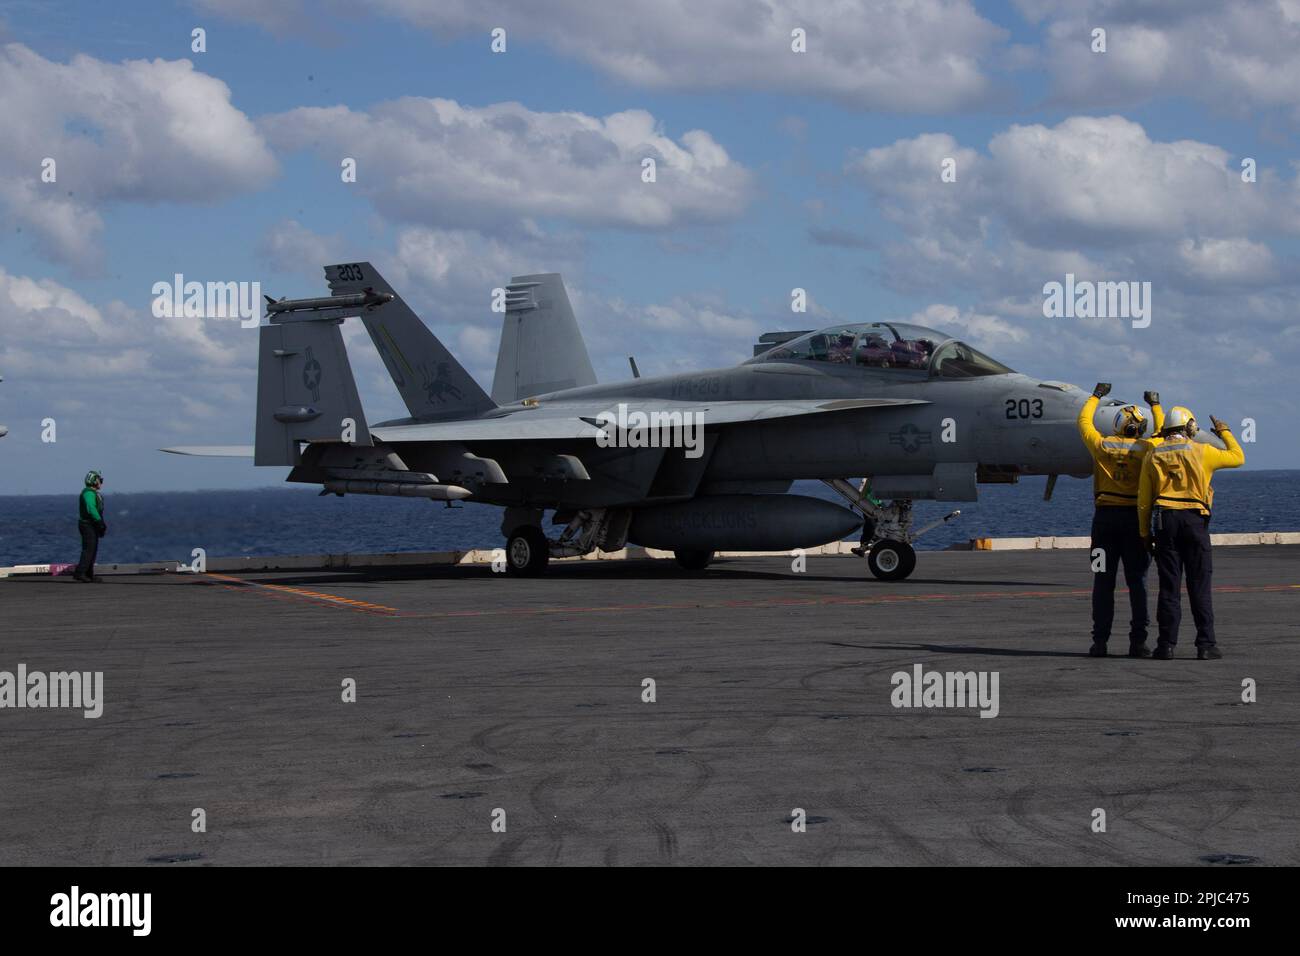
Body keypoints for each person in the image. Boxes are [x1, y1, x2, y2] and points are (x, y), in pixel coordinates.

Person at [1138, 408, 1244, 659]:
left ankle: (1166, 645)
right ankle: (1205, 645)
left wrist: (1145, 533)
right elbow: (1238, 457)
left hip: (1165, 520)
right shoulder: (1203, 451)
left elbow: (1144, 500)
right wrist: (1224, 431)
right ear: (1191, 427)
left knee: (1169, 586)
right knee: (1199, 585)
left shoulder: (1153, 454)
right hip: (1194, 522)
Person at [1077, 384, 1164, 658]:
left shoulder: (1101, 445)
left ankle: (1099, 642)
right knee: (1138, 582)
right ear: (1139, 429)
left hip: (1104, 522)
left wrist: (1095, 397)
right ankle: (1139, 643)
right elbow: (1162, 434)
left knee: (1102, 581)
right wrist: (1156, 406)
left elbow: (1083, 422)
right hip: (1134, 522)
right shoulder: (1147, 449)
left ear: (1117, 425)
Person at [74, 470, 107, 583]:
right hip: (87, 524)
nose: (101, 482)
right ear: (94, 481)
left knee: (93, 550)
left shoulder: (94, 493)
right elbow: (91, 508)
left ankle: (89, 574)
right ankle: (80, 573)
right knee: (88, 549)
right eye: (99, 480)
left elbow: (98, 510)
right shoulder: (88, 493)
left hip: (92, 524)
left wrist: (101, 524)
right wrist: (99, 522)